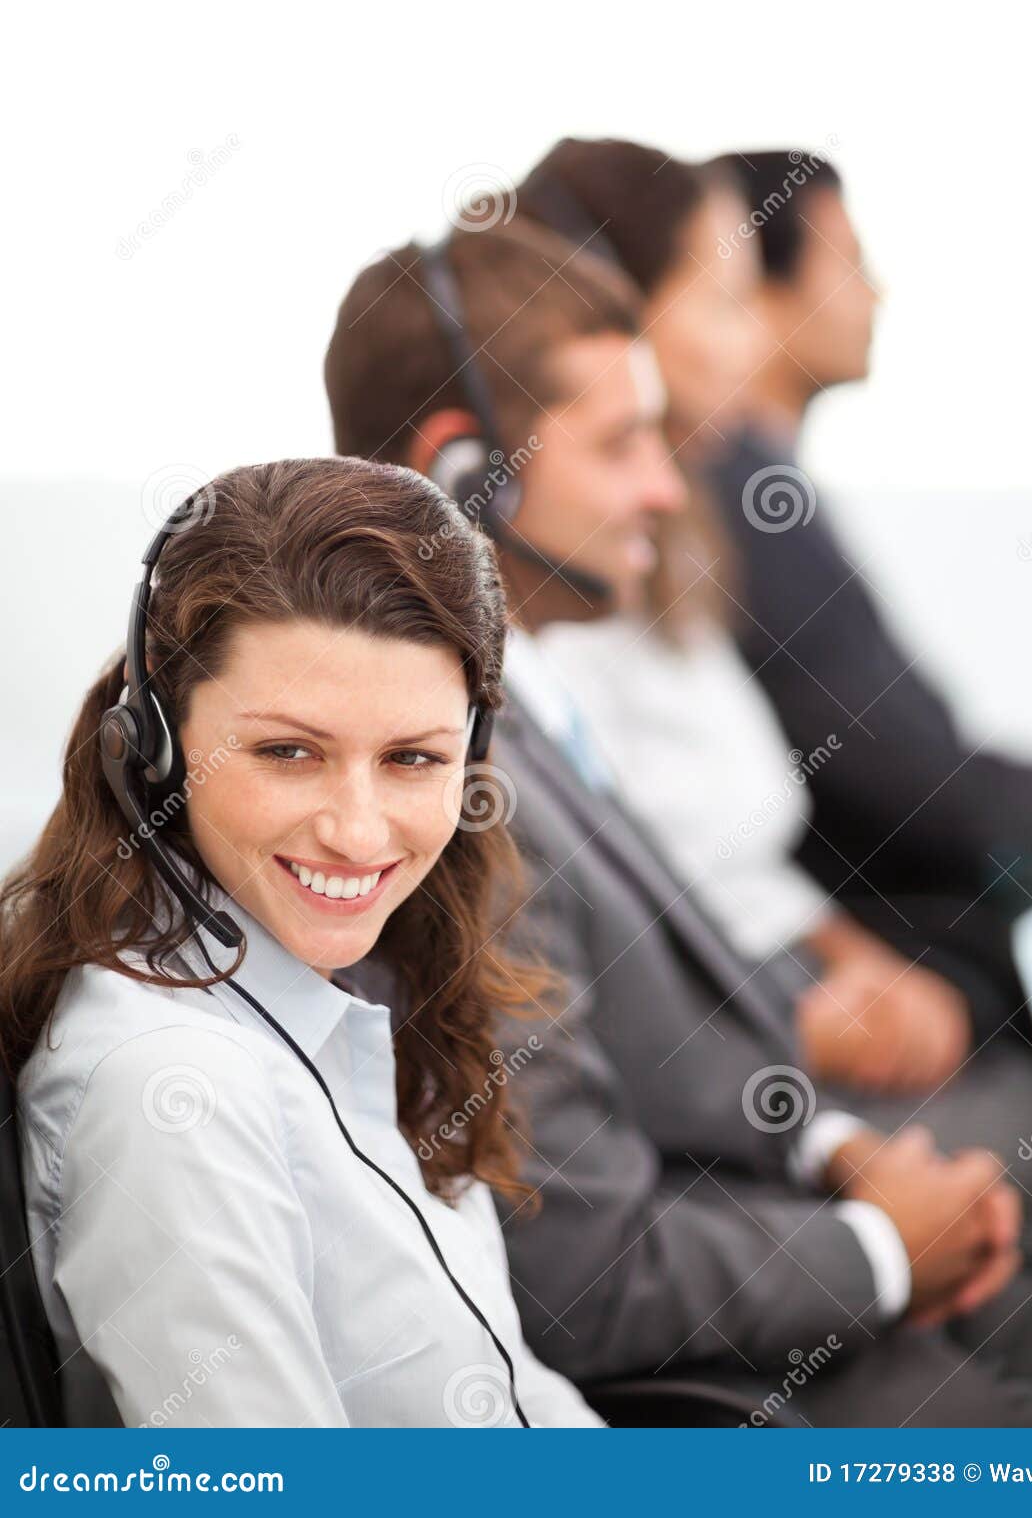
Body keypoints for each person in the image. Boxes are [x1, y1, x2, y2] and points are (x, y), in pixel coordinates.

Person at [324, 214, 1032, 1426]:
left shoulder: (537, 709)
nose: (666, 486)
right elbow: (580, 1271)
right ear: (466, 471)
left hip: (770, 1218)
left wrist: (833, 1150)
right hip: (707, 1380)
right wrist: (877, 1246)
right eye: (620, 446)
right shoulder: (452, 792)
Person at [2, 457, 602, 1428]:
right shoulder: (174, 1090)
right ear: (154, 743)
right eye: (288, 751)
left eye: (413, 758)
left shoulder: (356, 987)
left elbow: (511, 1393)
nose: (359, 832)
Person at [705, 148, 1032, 1010]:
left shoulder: (763, 497)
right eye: (848, 261)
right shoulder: (746, 509)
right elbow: (936, 797)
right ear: (753, 283)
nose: (876, 294)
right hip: (901, 970)